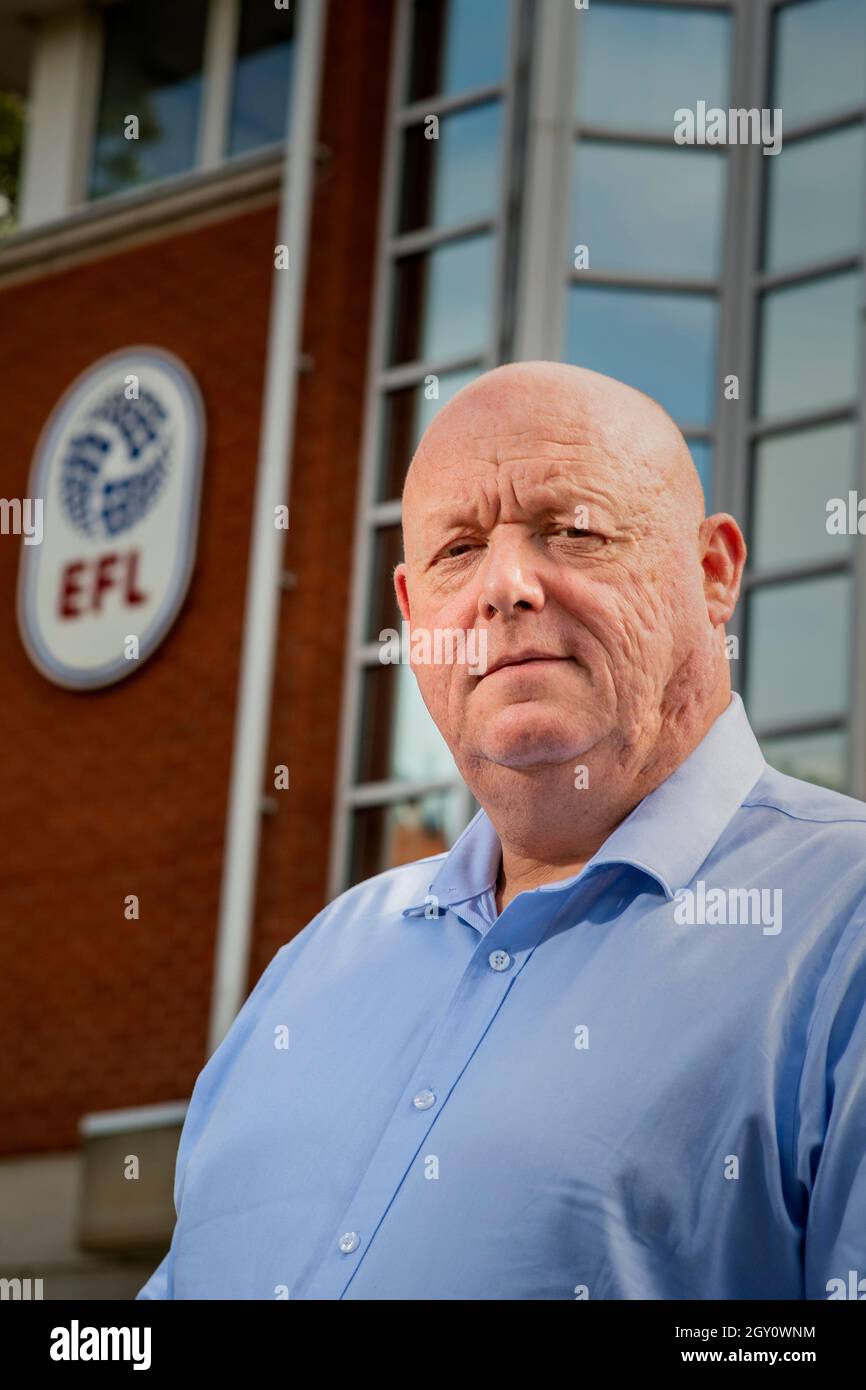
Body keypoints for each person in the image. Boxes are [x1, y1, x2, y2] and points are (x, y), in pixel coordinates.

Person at [138, 362, 866, 1300]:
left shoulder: (842, 925)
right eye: (457, 551)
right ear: (412, 616)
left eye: (574, 531)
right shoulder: (311, 970)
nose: (507, 586)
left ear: (713, 572)